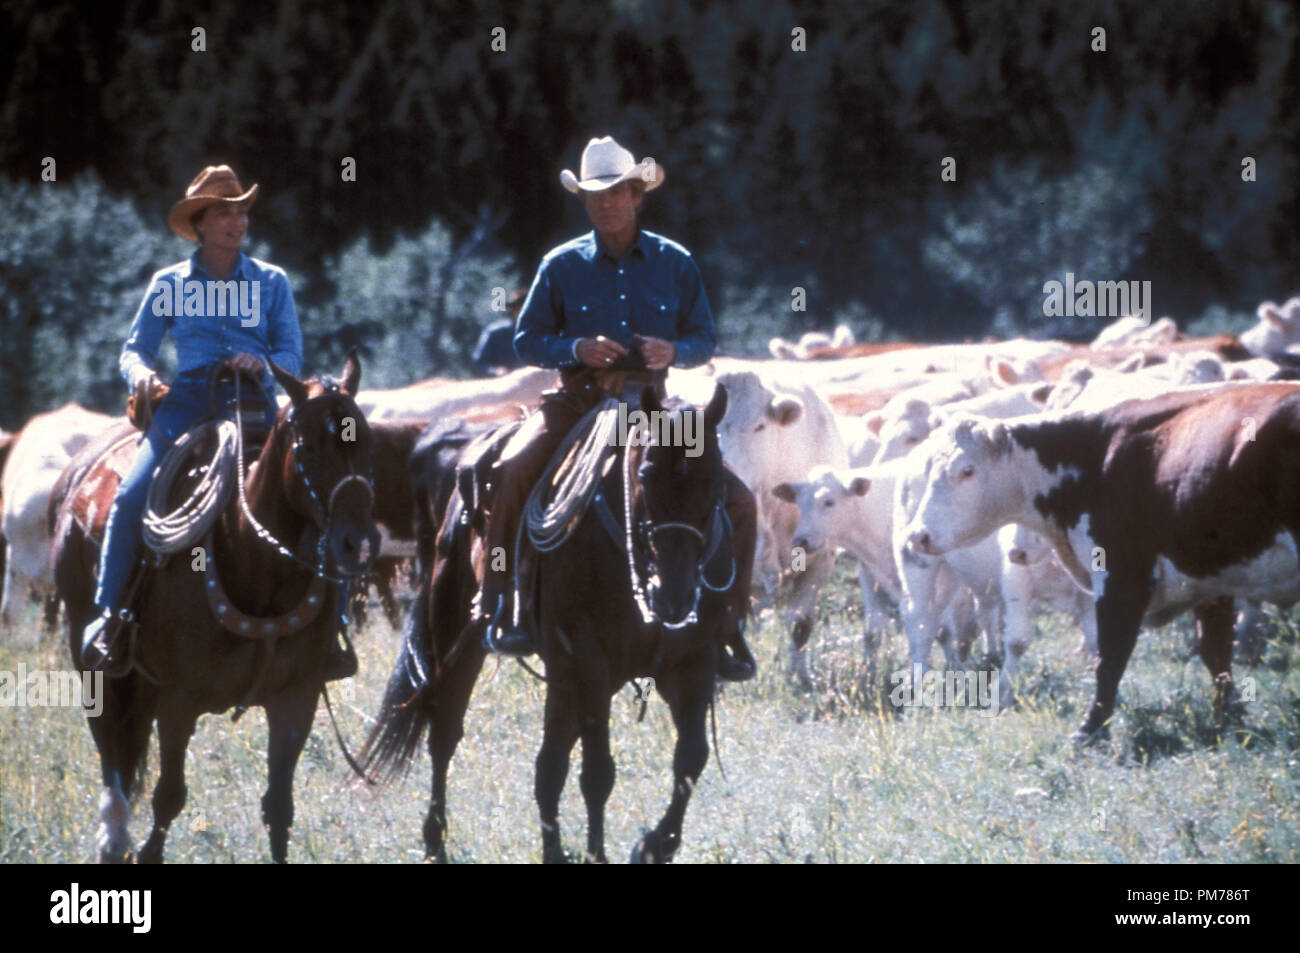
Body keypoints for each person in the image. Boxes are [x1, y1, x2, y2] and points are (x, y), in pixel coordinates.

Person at [477, 136, 758, 681]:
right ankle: (500, 599)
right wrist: (576, 349)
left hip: (655, 409)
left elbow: (705, 337)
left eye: (615, 193)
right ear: (583, 201)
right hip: (576, 403)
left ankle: (728, 625)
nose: (604, 204)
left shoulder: (675, 262)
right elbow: (527, 340)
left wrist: (674, 351)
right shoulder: (560, 265)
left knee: (739, 499)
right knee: (513, 470)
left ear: (636, 195)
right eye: (593, 195)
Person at [80, 165, 334, 673]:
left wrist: (261, 362)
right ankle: (110, 616)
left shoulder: (272, 282)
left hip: (258, 402)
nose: (237, 221)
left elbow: (290, 351)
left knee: (323, 485)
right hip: (190, 400)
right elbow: (134, 351)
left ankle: (334, 628)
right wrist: (143, 379)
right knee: (132, 494)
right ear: (200, 222)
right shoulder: (168, 283)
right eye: (224, 212)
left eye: (242, 211)